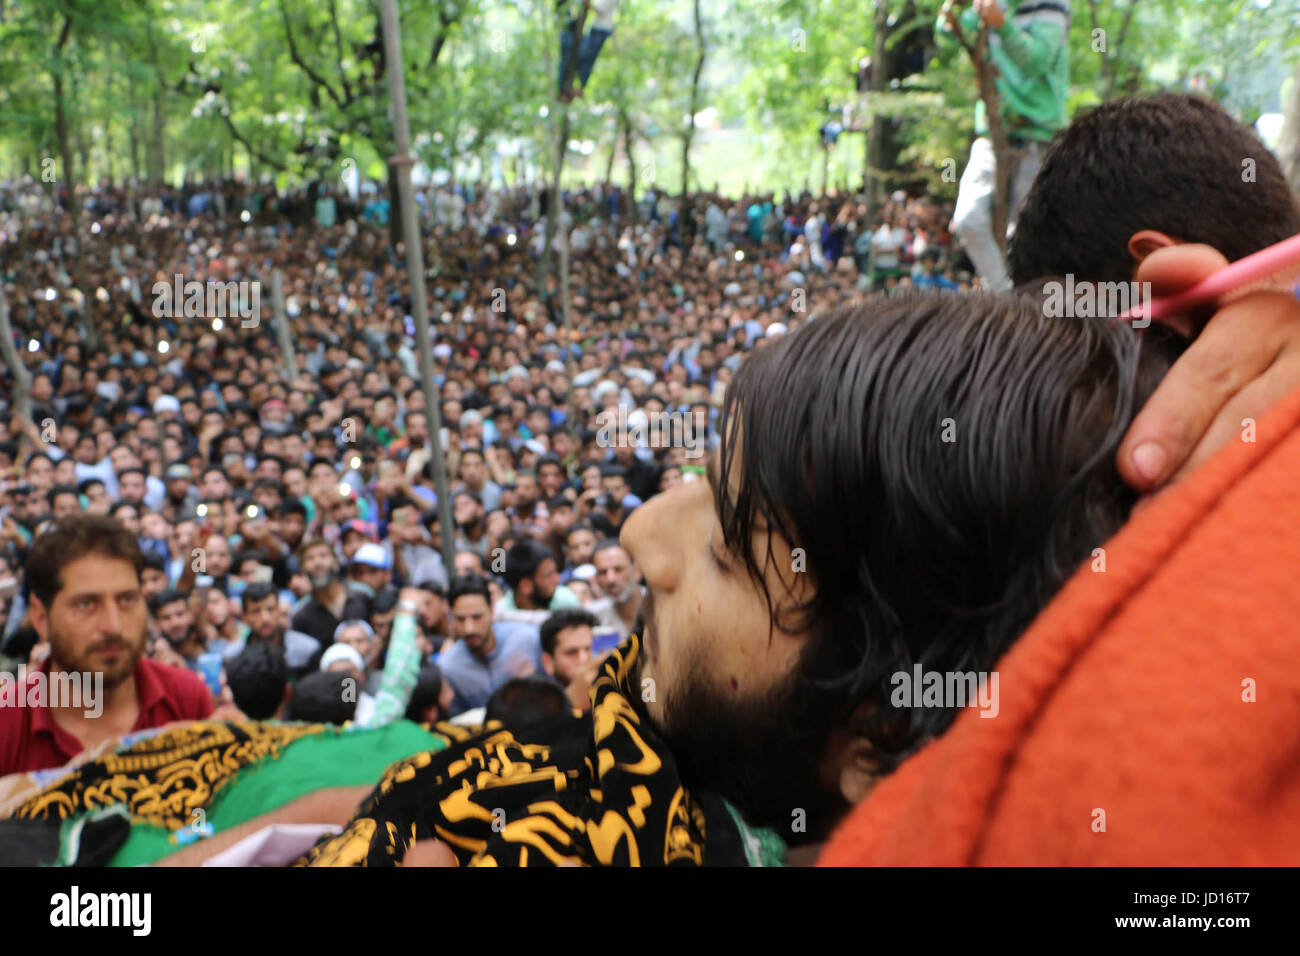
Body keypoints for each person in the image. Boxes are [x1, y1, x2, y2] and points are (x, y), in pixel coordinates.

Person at [0, 515, 212, 776]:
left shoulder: (187, 700)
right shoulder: (7, 722)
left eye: (126, 600)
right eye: (86, 604)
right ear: (41, 617)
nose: (113, 626)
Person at [939, 0, 1070, 291]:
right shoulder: (992, 3)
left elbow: (1036, 61)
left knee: (1026, 236)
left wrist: (1002, 23)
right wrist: (956, 8)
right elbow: (948, 36)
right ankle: (1005, 298)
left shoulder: (1052, 7)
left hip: (1038, 137)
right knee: (968, 220)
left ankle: (1027, 306)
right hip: (992, 132)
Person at [438, 574, 543, 716]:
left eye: (477, 617)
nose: (469, 628)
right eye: (460, 619)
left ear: (492, 611)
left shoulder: (528, 639)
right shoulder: (448, 668)